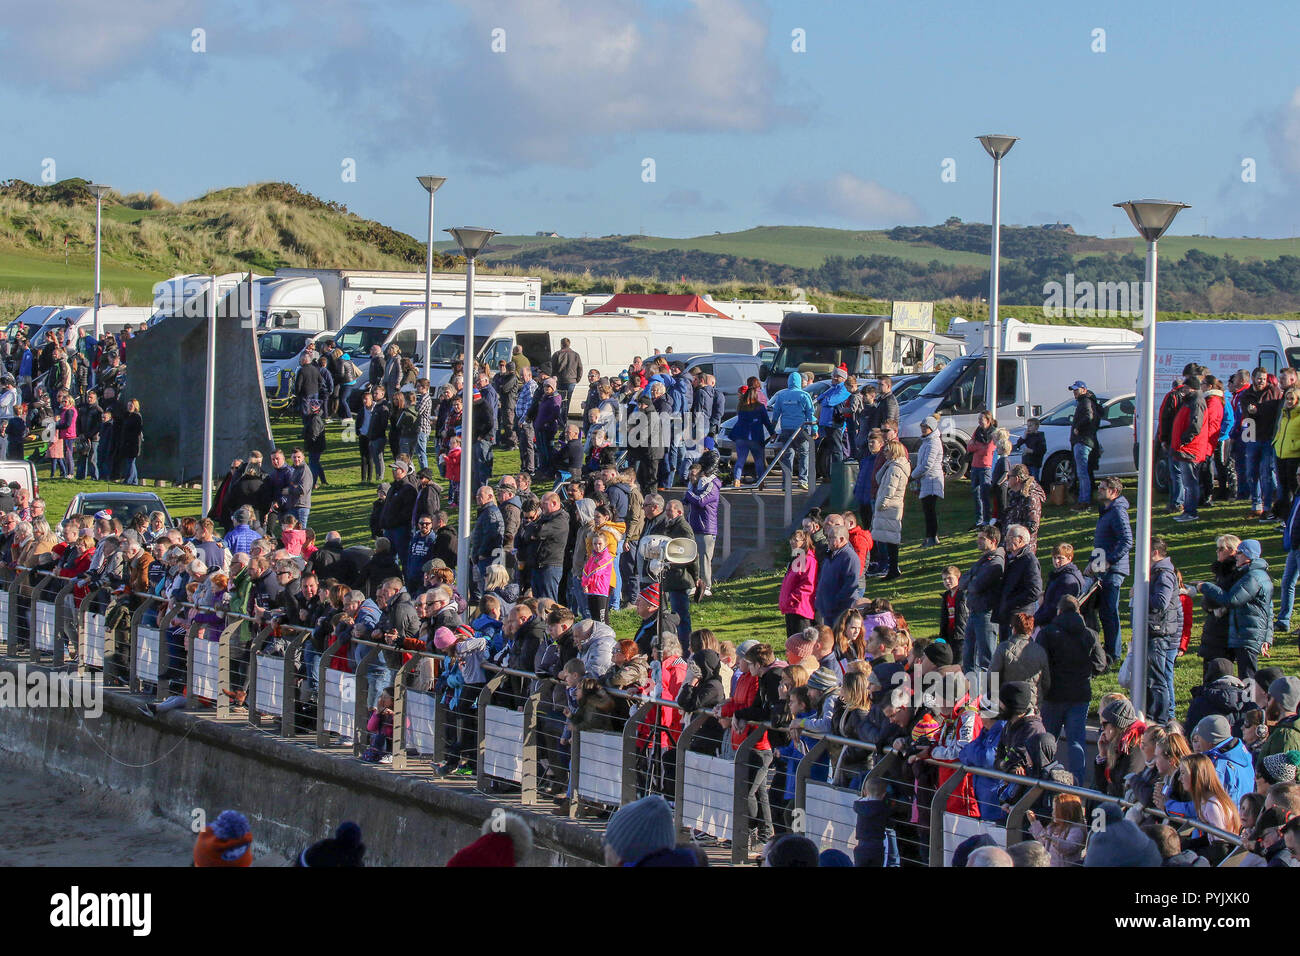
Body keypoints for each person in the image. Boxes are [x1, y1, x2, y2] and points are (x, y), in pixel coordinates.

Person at [1192, 538, 1272, 683]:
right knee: (1246, 676)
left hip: (1247, 633)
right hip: (1245, 632)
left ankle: (1252, 703)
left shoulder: (1252, 577)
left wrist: (1205, 587)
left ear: (1248, 555)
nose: (1236, 556)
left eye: (1239, 553)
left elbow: (1231, 600)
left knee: (1248, 678)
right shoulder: (1252, 574)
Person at [1143, 537, 1184, 725]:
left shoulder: (1163, 573)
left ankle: (1159, 719)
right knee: (1152, 677)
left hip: (1159, 631)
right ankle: (1154, 715)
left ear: (1154, 552)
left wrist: (1142, 593)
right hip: (1156, 629)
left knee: (1157, 678)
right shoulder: (1159, 572)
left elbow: (1161, 601)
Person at [1093, 476, 1132, 664]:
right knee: (1104, 612)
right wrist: (1094, 563)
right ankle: (1108, 650)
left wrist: (1110, 560)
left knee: (1110, 611)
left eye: (1103, 487)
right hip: (1102, 567)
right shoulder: (1106, 511)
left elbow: (1127, 540)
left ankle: (1113, 654)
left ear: (1114, 491)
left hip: (1113, 570)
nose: (1099, 490)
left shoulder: (1117, 512)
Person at [960, 525, 1004, 680]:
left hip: (986, 613)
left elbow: (976, 585)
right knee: (968, 656)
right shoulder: (983, 560)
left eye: (982, 538)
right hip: (974, 611)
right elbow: (963, 581)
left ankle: (987, 697)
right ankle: (970, 692)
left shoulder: (996, 562)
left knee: (986, 657)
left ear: (993, 541)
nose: (978, 541)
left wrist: (971, 581)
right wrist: (971, 580)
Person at [870, 439, 910, 580]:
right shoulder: (892, 465)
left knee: (890, 539)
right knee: (888, 538)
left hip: (890, 506)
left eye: (887, 451)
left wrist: (883, 503)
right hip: (890, 505)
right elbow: (879, 478)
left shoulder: (895, 468)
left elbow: (890, 488)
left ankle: (893, 568)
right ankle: (892, 568)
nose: (884, 454)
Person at [768, 371, 815, 489]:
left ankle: (786, 483)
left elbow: (775, 415)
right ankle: (803, 480)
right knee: (804, 454)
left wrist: (772, 431)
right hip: (801, 429)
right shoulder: (804, 395)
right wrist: (814, 429)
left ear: (788, 382)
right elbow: (811, 414)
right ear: (799, 382)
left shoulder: (782, 396)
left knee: (788, 455)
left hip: (786, 430)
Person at [730, 380, 773, 487]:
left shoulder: (741, 406)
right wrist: (772, 433)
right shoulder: (760, 407)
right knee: (758, 460)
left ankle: (737, 479)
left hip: (741, 437)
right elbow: (766, 422)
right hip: (756, 437)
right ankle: (761, 481)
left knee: (741, 459)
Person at [1067, 380, 1101, 508]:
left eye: (1077, 390)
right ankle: (1084, 499)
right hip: (1083, 441)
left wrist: (1078, 428)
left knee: (1082, 473)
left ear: (1084, 390)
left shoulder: (1086, 402)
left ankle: (1084, 501)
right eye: (1074, 390)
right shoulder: (1084, 401)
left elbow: (1088, 416)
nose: (1075, 392)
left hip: (1082, 441)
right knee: (1084, 472)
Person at [913, 415, 944, 546]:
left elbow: (927, 464)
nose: (923, 429)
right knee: (927, 510)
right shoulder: (927, 441)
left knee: (930, 510)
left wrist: (913, 475)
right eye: (922, 427)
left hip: (932, 480)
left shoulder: (934, 442)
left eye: (926, 427)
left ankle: (932, 537)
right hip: (927, 480)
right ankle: (930, 537)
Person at [966, 410, 997, 527]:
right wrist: (978, 447)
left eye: (981, 419)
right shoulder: (977, 431)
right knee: (976, 494)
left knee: (985, 494)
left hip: (986, 467)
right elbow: (969, 446)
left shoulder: (993, 433)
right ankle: (979, 520)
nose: (979, 422)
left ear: (988, 421)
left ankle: (987, 519)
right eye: (978, 419)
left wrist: (976, 446)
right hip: (975, 466)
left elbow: (987, 450)